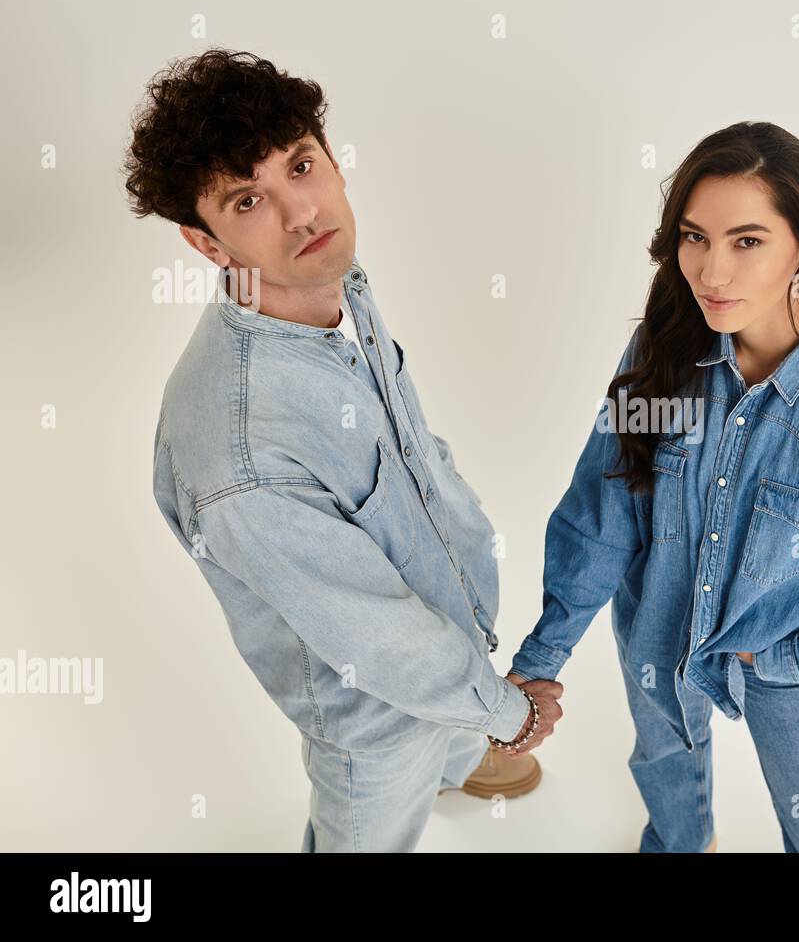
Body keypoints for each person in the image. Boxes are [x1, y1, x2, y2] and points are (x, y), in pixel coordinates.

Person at [127, 48, 562, 852]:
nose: (302, 213)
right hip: (378, 718)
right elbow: (377, 642)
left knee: (450, 706)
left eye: (302, 165)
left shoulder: (325, 281)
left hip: (448, 639)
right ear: (207, 242)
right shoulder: (242, 455)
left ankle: (459, 750)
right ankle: (453, 743)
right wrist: (512, 711)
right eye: (249, 199)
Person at [508, 121, 799, 853]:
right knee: (664, 777)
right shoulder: (666, 347)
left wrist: (782, 660)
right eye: (694, 237)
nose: (711, 274)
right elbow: (606, 507)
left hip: (788, 666)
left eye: (747, 241)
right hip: (655, 628)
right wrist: (541, 659)